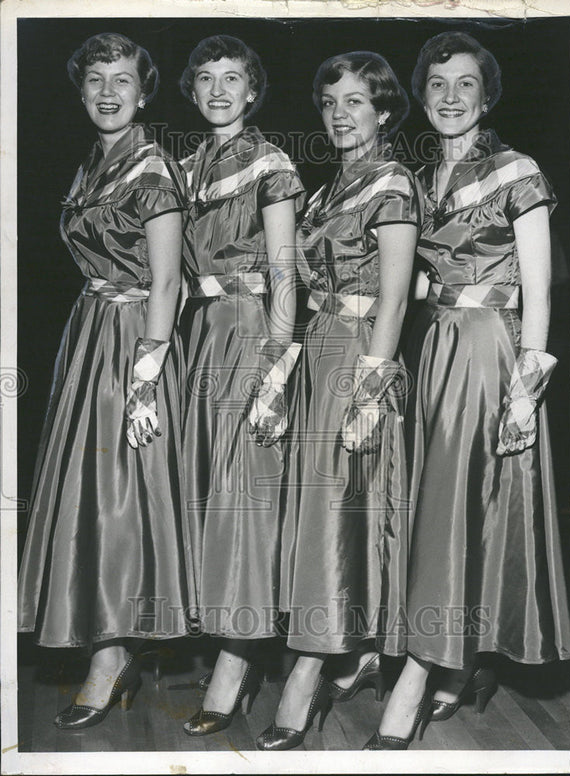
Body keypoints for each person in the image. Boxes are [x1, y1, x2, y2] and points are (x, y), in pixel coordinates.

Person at [364, 31, 570, 750]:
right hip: (435, 349)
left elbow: (539, 291)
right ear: (420, 96)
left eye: (466, 84)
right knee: (441, 510)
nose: (451, 97)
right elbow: (423, 282)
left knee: (460, 505)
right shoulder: (421, 179)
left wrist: (526, 389)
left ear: (488, 97)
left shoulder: (517, 169)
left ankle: (418, 677)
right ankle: (460, 660)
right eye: (438, 84)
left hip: (489, 352)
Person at [17, 33, 193, 729]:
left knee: (121, 492)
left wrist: (145, 373)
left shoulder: (152, 167)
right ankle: (104, 639)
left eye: (123, 80)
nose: (108, 92)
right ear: (82, 91)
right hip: (90, 330)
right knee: (89, 490)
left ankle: (114, 651)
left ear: (144, 93)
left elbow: (168, 280)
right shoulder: (93, 163)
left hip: (133, 338)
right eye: (96, 80)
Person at [256, 51, 421, 751]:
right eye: (329, 103)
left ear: (384, 111)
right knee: (324, 514)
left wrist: (370, 391)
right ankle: (354, 650)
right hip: (319, 352)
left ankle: (307, 671)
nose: (339, 115)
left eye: (355, 101)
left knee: (339, 511)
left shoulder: (394, 182)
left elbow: (396, 298)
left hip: (358, 357)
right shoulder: (328, 189)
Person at [177, 35, 305, 736]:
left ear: (253, 90)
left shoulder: (272, 163)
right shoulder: (184, 167)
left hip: (252, 330)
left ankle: (238, 657)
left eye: (233, 78)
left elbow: (285, 274)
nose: (219, 90)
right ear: (192, 91)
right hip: (199, 335)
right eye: (206, 78)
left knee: (244, 498)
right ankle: (221, 634)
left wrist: (276, 372)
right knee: (207, 497)